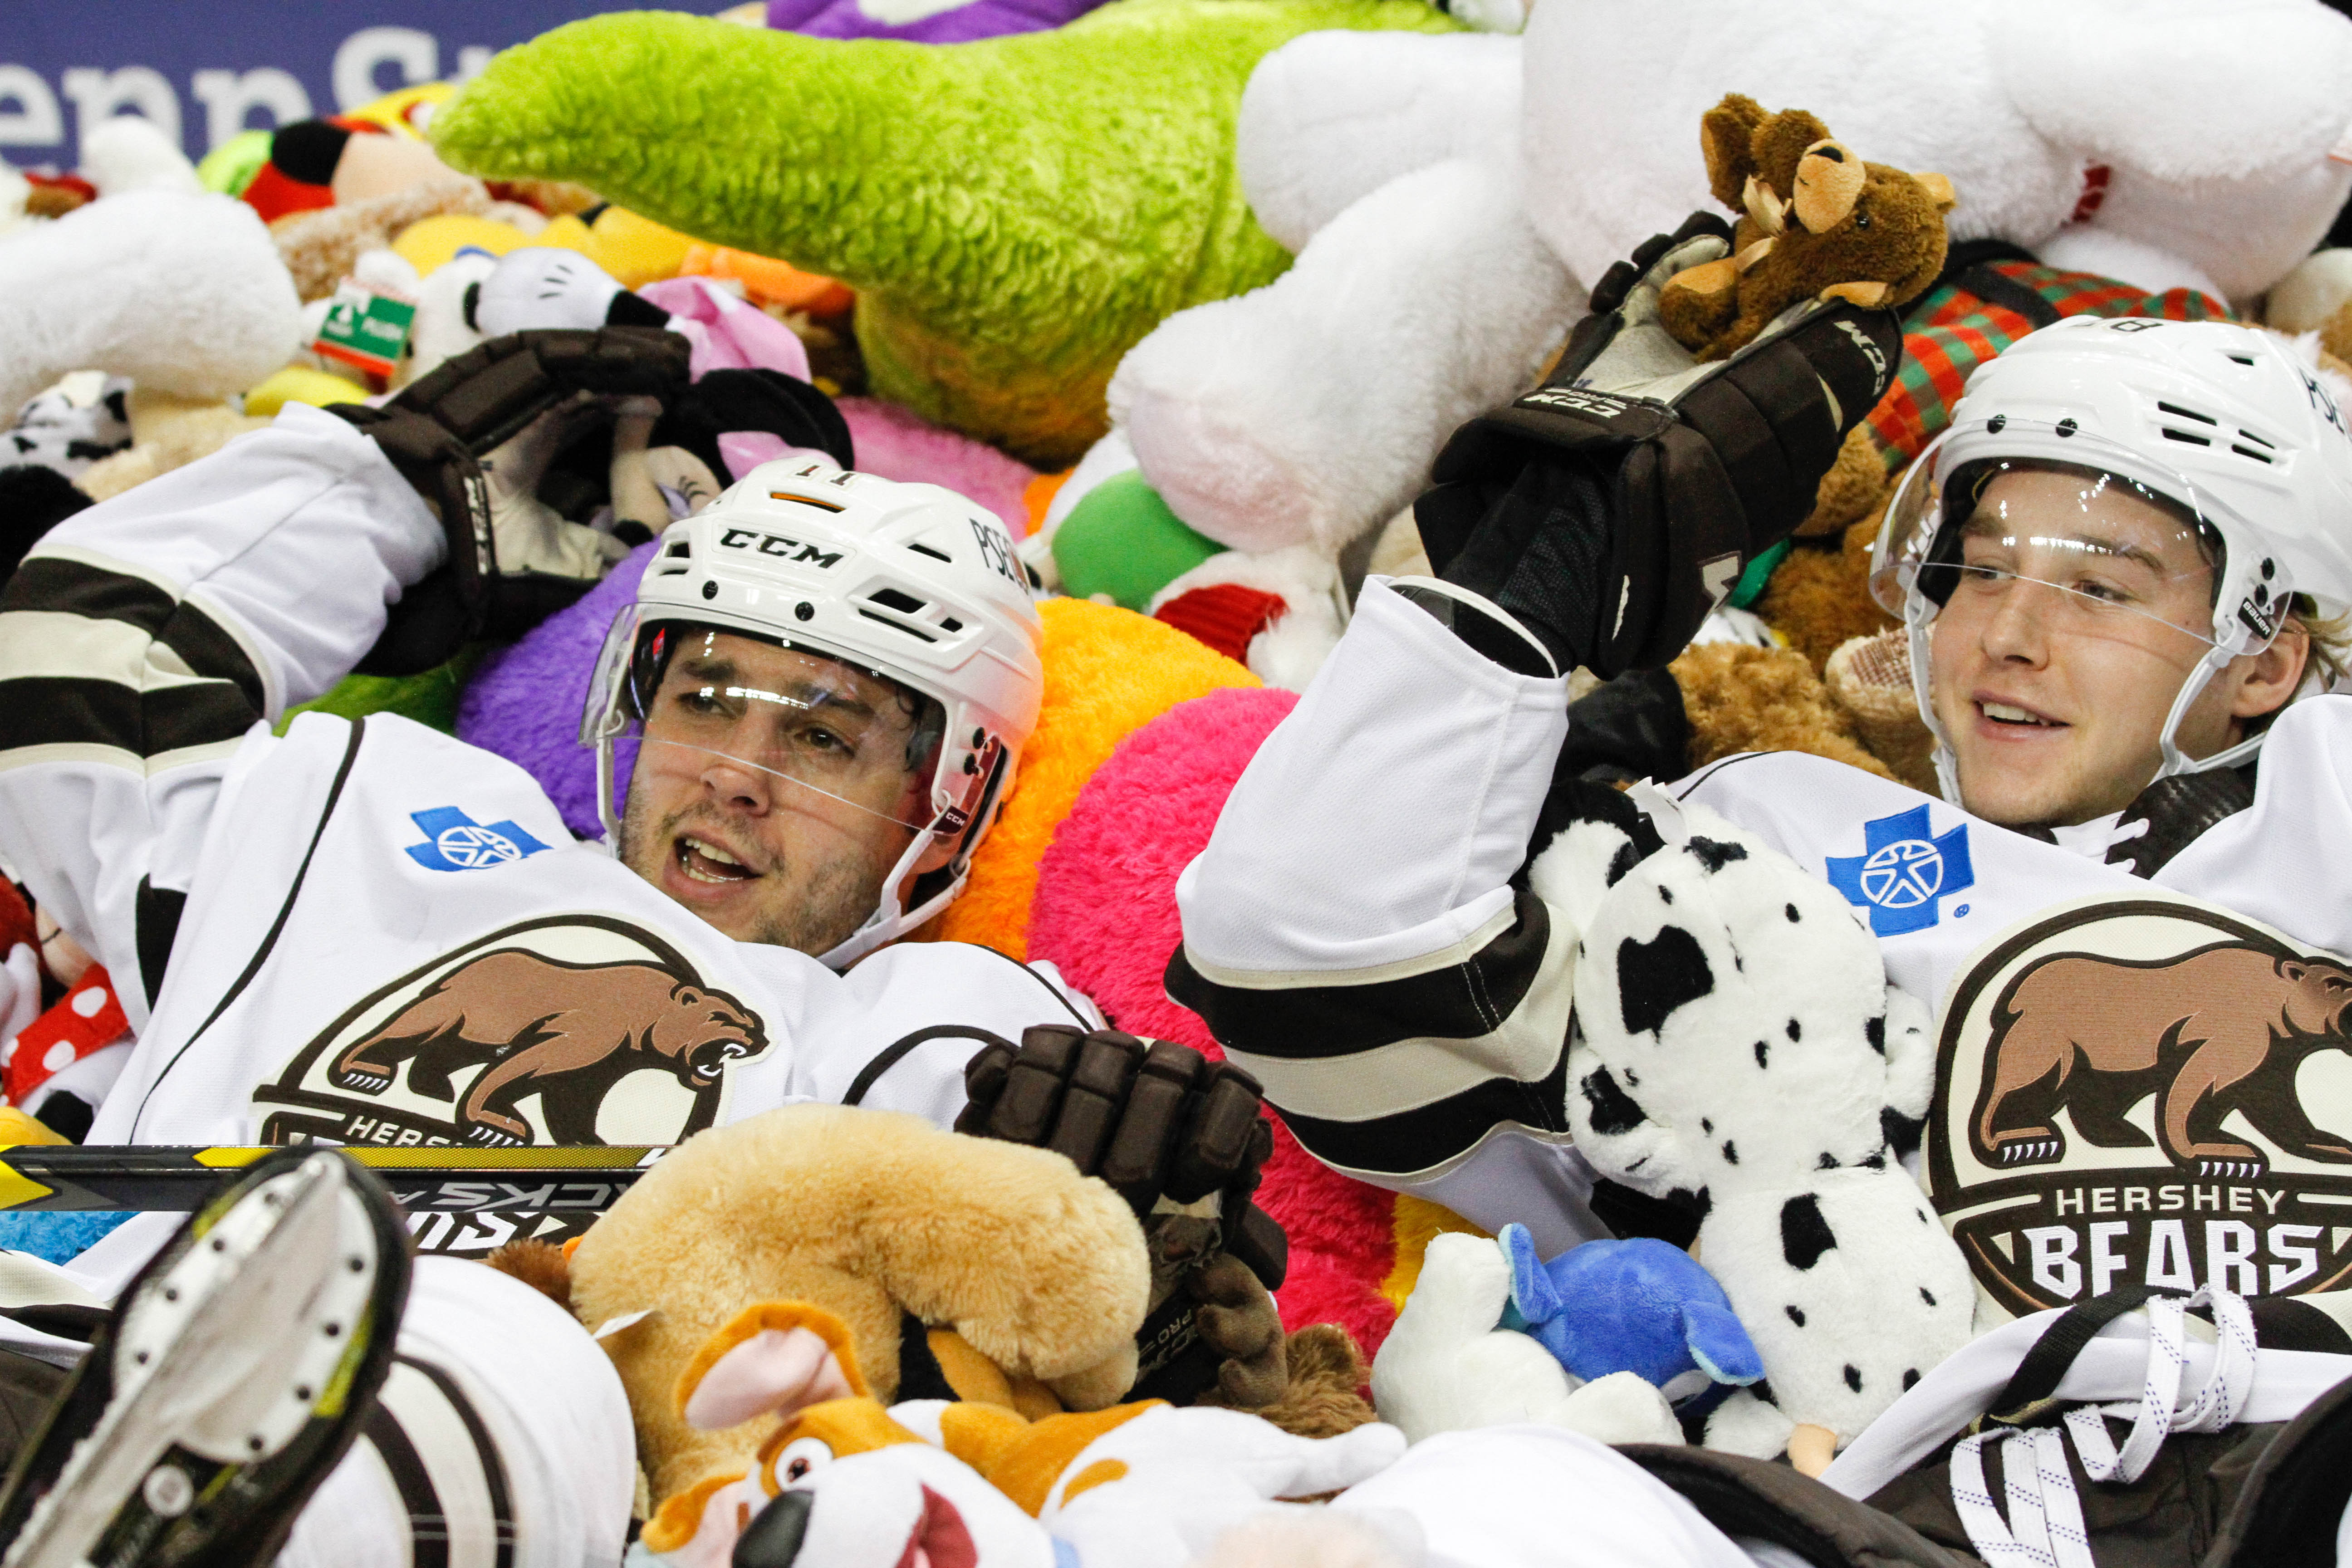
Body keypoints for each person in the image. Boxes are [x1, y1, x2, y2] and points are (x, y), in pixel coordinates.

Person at [0, 329, 1270, 1565]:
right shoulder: (364, 820)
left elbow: (1064, 1287)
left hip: (456, 1419)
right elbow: (73, 672)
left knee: (524, 1342)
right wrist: (396, 487)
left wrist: (1163, 1234)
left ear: (944, 810)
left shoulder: (920, 1025)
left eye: (823, 739)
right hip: (62, 1339)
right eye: (705, 697)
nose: (736, 778)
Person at [1170, 262, 2352, 1273]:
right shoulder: (1776, 857)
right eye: (1980, 571)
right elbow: (1302, 968)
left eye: (2098, 590)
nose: (2003, 637)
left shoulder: (2329, 799)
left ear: (2266, 664)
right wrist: (1513, 613)